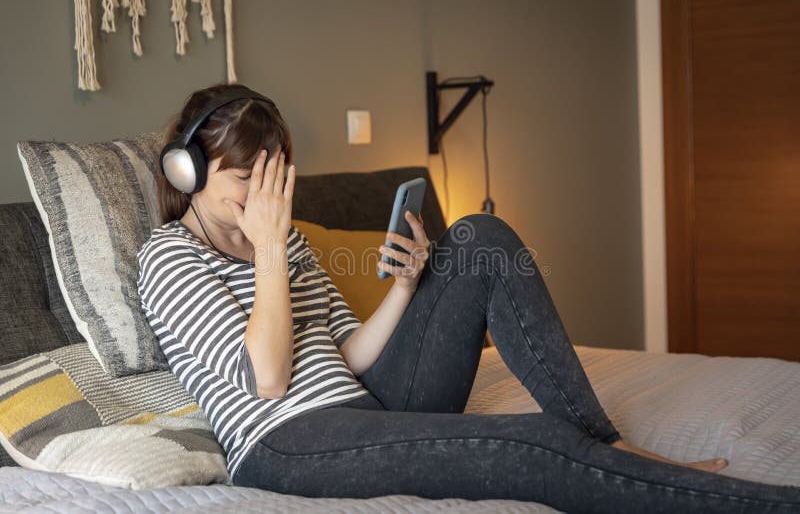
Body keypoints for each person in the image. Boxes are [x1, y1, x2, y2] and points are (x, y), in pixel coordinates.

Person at [136, 83, 800, 513]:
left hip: (370, 407)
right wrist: (272, 249)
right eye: (243, 176)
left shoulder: (289, 245)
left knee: (478, 233)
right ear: (187, 172)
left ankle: (606, 443)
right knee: (533, 442)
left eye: (273, 176)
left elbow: (352, 356)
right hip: (286, 441)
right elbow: (271, 378)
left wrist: (402, 289)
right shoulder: (170, 256)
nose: (261, 194)